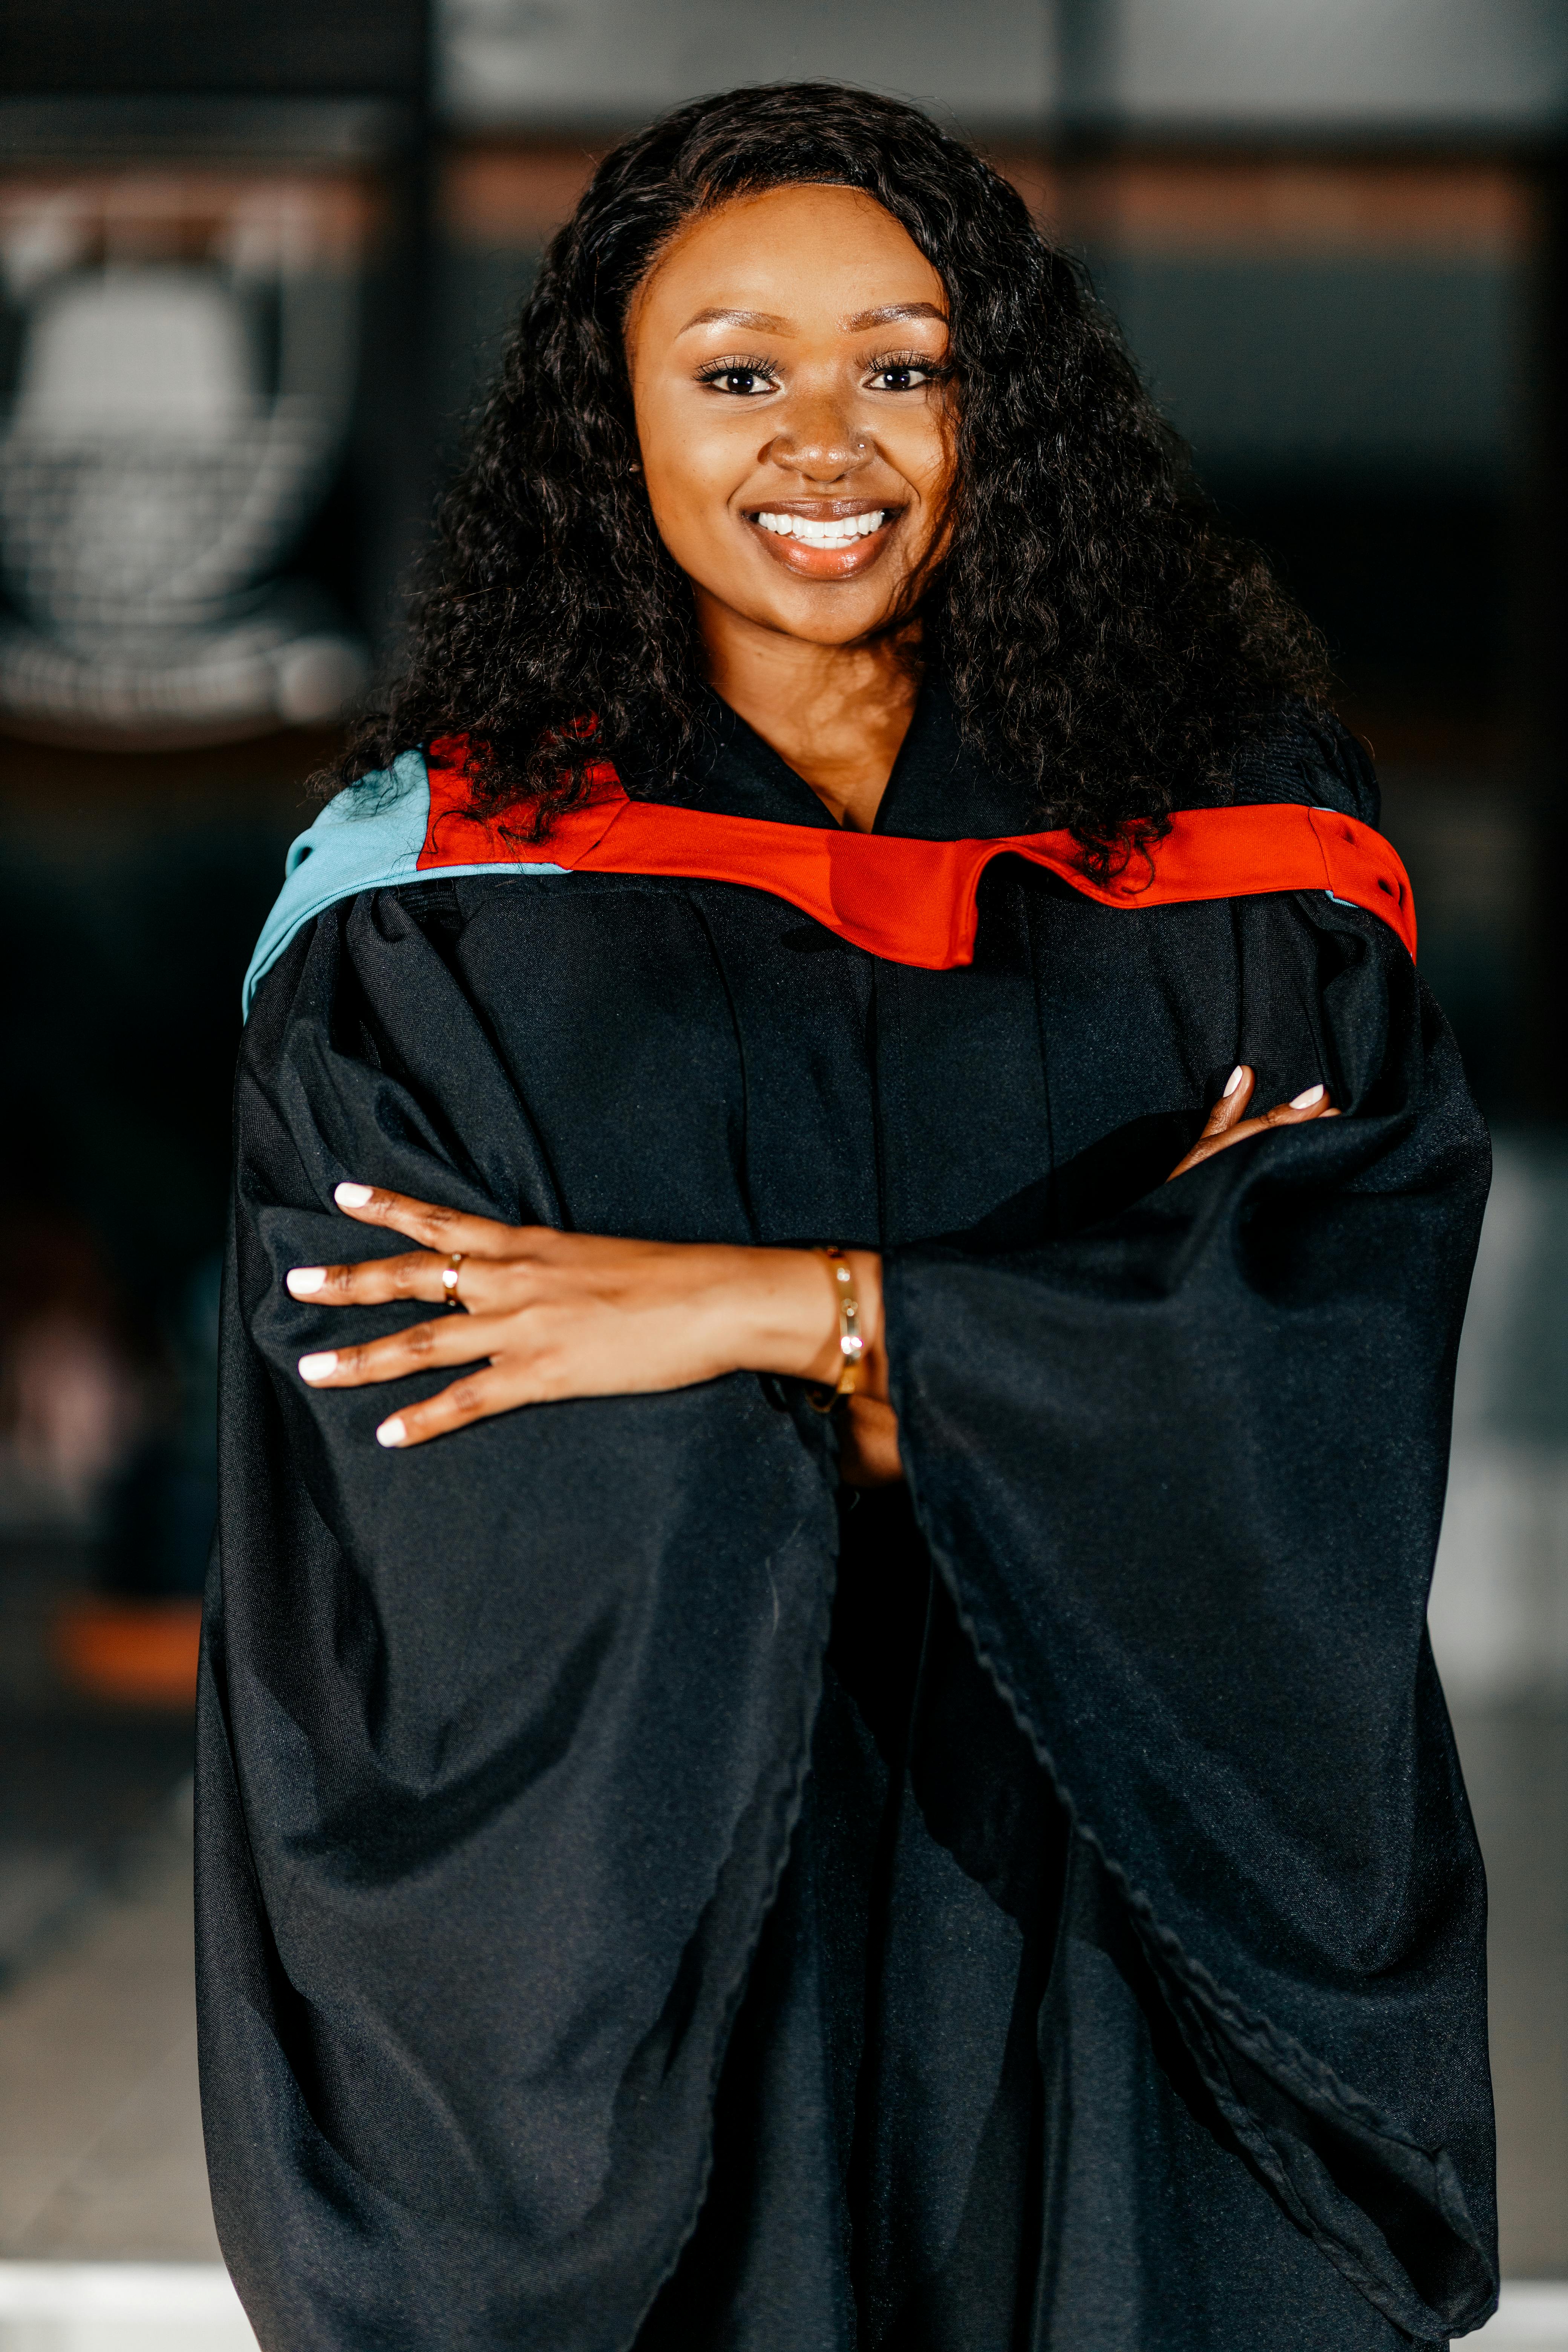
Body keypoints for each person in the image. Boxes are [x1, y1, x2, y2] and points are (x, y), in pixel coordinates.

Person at [197, 83, 1496, 2352]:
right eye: (737, 373)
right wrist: (1067, 1352)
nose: (834, 442)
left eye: (907, 366)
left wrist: (751, 1313)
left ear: (1010, 404)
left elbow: (1315, 1370)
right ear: (612, 417)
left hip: (1128, 1921)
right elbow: (434, 1471)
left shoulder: (1249, 858)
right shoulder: (437, 908)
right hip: (682, 1934)